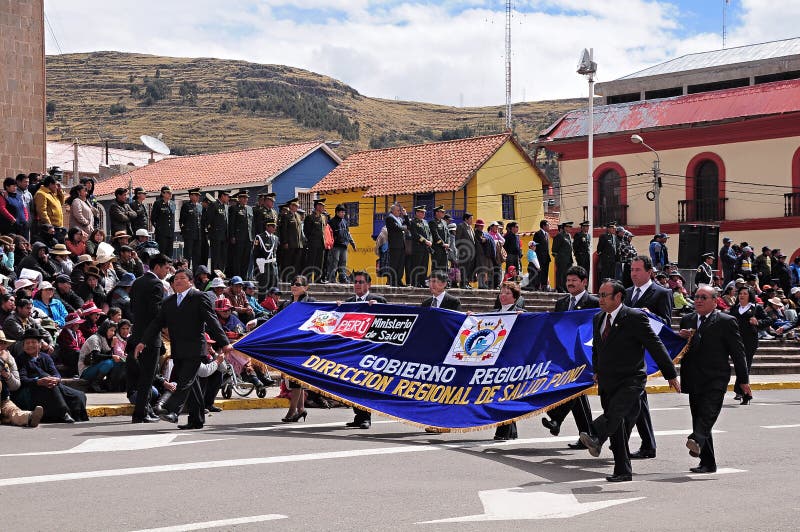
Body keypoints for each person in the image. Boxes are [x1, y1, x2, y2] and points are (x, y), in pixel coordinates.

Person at [579, 280, 680, 482]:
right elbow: (598, 347)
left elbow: (655, 345)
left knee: (614, 413)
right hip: (608, 379)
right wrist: (597, 370)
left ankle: (596, 434)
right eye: (599, 295)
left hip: (631, 379)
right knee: (617, 426)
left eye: (605, 295)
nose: (600, 299)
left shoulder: (634, 317)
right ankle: (622, 470)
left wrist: (670, 373)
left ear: (618, 297)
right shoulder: (598, 318)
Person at [135, 268, 232, 430]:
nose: (177, 281)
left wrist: (224, 342)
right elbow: (156, 323)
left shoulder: (199, 297)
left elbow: (212, 320)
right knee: (192, 385)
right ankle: (196, 419)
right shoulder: (169, 301)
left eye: (181, 278)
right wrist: (143, 342)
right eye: (175, 279)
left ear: (190, 281)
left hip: (195, 349)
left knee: (184, 381)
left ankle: (173, 411)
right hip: (178, 349)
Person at [677, 285, 750, 473]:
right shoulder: (688, 319)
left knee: (708, 414)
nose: (698, 300)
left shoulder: (726, 321)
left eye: (703, 297)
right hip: (693, 377)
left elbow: (738, 352)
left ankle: (696, 439)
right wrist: (680, 338)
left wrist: (743, 380)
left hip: (716, 378)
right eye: (696, 297)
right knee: (698, 416)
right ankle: (707, 462)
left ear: (714, 301)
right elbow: (679, 350)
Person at [538, 265, 599, 447]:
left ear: (584, 282)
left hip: (586, 356)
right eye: (568, 280)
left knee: (574, 391)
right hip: (566, 356)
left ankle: (557, 419)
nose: (570, 284)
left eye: (574, 281)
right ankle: (586, 436)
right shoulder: (562, 303)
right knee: (576, 393)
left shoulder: (594, 303)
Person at [623, 255, 673, 460]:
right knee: (639, 399)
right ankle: (647, 444)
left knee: (637, 396)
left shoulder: (662, 293)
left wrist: (649, 315)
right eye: (632, 270)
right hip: (626, 351)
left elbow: (666, 323)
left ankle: (619, 437)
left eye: (637, 270)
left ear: (649, 271)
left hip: (645, 354)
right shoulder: (625, 293)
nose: (634, 274)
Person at [126, 253, 172, 424]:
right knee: (148, 375)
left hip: (137, 332)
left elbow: (132, 307)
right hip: (151, 336)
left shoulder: (137, 282)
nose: (167, 271)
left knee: (147, 375)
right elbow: (156, 312)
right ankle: (140, 413)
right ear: (157, 267)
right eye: (166, 268)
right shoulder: (156, 284)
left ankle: (145, 409)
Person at [340, 270, 387, 429]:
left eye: (361, 282)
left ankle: (366, 417)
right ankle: (358, 416)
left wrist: (378, 308)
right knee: (352, 384)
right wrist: (339, 309)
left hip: (369, 350)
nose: (358, 285)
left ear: (369, 285)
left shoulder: (378, 300)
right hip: (352, 350)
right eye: (356, 282)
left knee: (364, 385)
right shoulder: (349, 301)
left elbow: (390, 321)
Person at [15, 328, 88, 423]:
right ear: (23, 346)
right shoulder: (20, 359)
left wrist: (56, 379)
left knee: (79, 395)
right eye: (27, 343)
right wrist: (38, 381)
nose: (30, 345)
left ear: (40, 345)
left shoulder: (45, 357)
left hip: (50, 384)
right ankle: (63, 413)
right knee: (51, 388)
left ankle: (76, 414)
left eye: (33, 342)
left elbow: (55, 373)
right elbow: (23, 379)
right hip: (31, 389)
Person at [277, 275, 316, 422]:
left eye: (298, 284)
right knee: (292, 378)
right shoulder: (286, 303)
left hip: (302, 345)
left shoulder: (311, 302)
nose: (294, 286)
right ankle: (301, 409)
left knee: (296, 378)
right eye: (292, 283)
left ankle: (292, 411)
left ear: (306, 288)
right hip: (287, 344)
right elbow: (275, 318)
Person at [728, 286, 768, 403]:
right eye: (740, 293)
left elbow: (769, 320)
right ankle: (742, 391)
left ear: (749, 295)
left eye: (745, 293)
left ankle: (741, 392)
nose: (742, 295)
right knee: (739, 365)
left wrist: (758, 322)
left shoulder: (756, 308)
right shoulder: (735, 308)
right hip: (736, 341)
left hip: (750, 341)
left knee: (745, 366)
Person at [0, 331, 44, 427]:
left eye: (3, 343)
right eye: (0, 343)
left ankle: (30, 417)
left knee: (13, 411)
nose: (2, 346)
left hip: (3, 399)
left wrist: (8, 376)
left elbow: (16, 385)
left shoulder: (9, 359)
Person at [79, 319, 125, 392]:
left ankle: (111, 385)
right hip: (86, 370)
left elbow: (107, 355)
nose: (113, 333)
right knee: (109, 362)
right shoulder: (94, 338)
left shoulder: (105, 339)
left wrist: (112, 346)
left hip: (97, 367)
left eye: (114, 331)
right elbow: (96, 356)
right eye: (111, 330)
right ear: (105, 329)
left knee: (118, 363)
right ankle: (95, 383)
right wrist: (112, 356)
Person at [228, 190, 254, 278]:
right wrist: (232, 236)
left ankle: (244, 276)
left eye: (246, 198)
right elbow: (231, 223)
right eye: (244, 198)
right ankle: (237, 276)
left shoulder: (250, 209)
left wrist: (253, 237)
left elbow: (252, 224)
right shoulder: (234, 208)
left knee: (246, 258)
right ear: (239, 199)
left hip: (248, 237)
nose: (246, 199)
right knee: (237, 258)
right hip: (238, 237)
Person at [327, 203, 356, 283]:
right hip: (335, 246)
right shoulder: (331, 222)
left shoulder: (345, 222)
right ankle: (332, 278)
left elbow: (348, 233)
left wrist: (352, 243)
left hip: (344, 246)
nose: (343, 213)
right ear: (337, 212)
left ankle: (342, 278)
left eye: (344, 212)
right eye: (342, 212)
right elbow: (328, 235)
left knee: (343, 263)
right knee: (334, 262)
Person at [278, 197, 304, 282]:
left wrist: (301, 242)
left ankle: (294, 278)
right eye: (295, 205)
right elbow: (284, 230)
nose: (297, 207)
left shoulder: (298, 216)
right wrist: (285, 242)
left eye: (297, 206)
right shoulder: (286, 216)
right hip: (289, 243)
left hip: (298, 243)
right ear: (291, 206)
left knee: (296, 262)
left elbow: (299, 231)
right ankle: (286, 277)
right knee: (287, 261)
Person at [303, 198, 328, 283]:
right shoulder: (310, 217)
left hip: (321, 243)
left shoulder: (323, 217)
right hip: (312, 243)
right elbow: (306, 231)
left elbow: (324, 230)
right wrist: (311, 240)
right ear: (317, 206)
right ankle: (307, 278)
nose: (323, 208)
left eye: (323, 206)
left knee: (319, 262)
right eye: (322, 206)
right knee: (311, 261)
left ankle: (318, 278)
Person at [408, 206, 433, 288]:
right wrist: (425, 241)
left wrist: (430, 241)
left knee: (424, 265)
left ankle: (423, 281)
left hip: (426, 247)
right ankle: (415, 282)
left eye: (424, 212)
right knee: (417, 265)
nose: (424, 214)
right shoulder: (413, 222)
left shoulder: (425, 222)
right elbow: (415, 234)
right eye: (422, 212)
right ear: (417, 213)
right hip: (418, 247)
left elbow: (429, 233)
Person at [385, 203, 409, 287]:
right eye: (398, 210)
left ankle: (399, 280)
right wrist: (404, 228)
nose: (399, 212)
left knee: (401, 264)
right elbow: (397, 228)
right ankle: (393, 281)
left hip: (402, 244)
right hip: (394, 245)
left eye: (400, 210)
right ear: (393, 211)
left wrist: (405, 215)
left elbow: (408, 225)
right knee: (394, 264)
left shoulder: (400, 219)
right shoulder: (389, 218)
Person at [55, 312, 85, 377]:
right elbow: (70, 347)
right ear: (71, 325)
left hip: (78, 353)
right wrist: (81, 352)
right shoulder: (64, 334)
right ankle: (75, 373)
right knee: (77, 353)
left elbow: (83, 342)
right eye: (76, 324)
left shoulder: (78, 332)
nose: (78, 326)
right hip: (68, 356)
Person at [179, 188, 203, 270]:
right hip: (189, 234)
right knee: (188, 255)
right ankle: (187, 271)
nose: (198, 197)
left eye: (198, 195)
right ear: (191, 196)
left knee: (197, 255)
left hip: (198, 235)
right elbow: (181, 221)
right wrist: (184, 232)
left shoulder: (200, 206)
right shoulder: (186, 206)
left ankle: (196, 272)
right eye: (196, 195)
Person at [254, 220, 280, 295]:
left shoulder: (276, 238)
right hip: (264, 264)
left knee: (274, 285)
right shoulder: (259, 237)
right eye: (273, 226)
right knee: (263, 286)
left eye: (275, 227)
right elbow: (256, 253)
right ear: (267, 226)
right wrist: (257, 267)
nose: (274, 228)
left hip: (273, 265)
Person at [151, 186, 176, 258]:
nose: (170, 194)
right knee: (162, 253)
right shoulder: (157, 203)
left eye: (171, 192)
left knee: (170, 253)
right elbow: (153, 218)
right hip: (161, 233)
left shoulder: (172, 203)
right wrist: (159, 228)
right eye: (168, 192)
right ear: (163, 193)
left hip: (170, 233)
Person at [551, 221, 574, 293]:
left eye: (571, 227)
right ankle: (559, 287)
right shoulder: (560, 235)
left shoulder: (569, 235)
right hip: (561, 259)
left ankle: (565, 287)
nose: (570, 228)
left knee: (566, 274)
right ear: (565, 228)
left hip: (568, 259)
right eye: (569, 227)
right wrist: (559, 258)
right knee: (560, 273)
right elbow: (554, 249)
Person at [532, 219, 551, 290]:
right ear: (543, 226)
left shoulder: (547, 234)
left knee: (545, 272)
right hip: (540, 257)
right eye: (548, 225)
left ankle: (544, 286)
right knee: (539, 273)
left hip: (546, 257)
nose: (549, 226)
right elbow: (535, 246)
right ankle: (537, 286)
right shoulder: (538, 234)